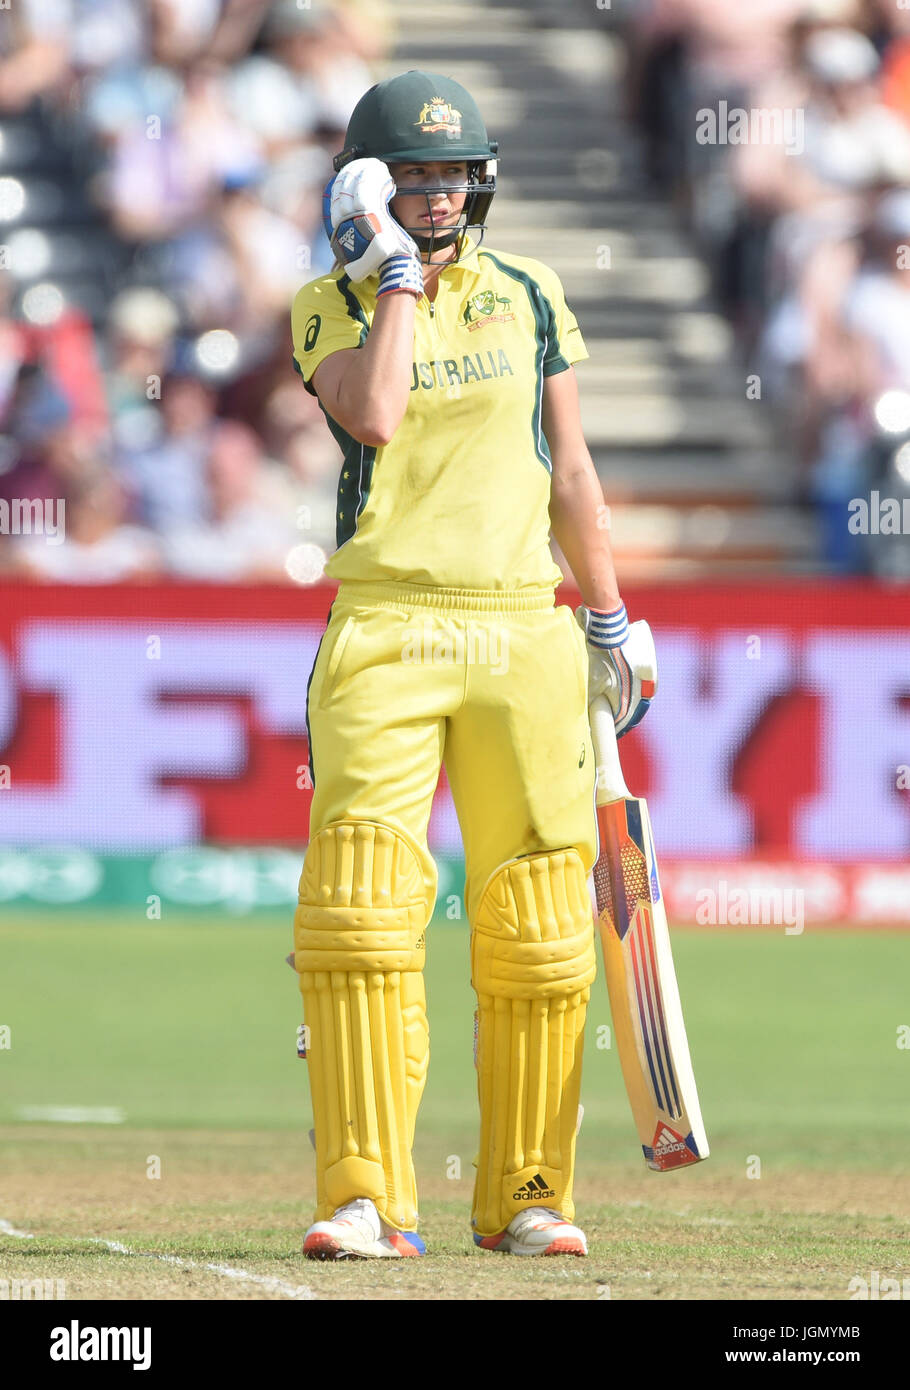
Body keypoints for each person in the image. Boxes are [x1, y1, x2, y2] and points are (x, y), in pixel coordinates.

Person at [289, 70, 653, 1260]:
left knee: (542, 924)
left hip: (521, 628)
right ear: (366, 186)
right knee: (359, 915)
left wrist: (608, 619)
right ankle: (365, 1198)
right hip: (386, 627)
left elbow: (572, 470)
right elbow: (377, 412)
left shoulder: (532, 293)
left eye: (451, 175)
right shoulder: (324, 307)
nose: (437, 196)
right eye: (411, 177)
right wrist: (390, 271)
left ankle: (529, 1196)